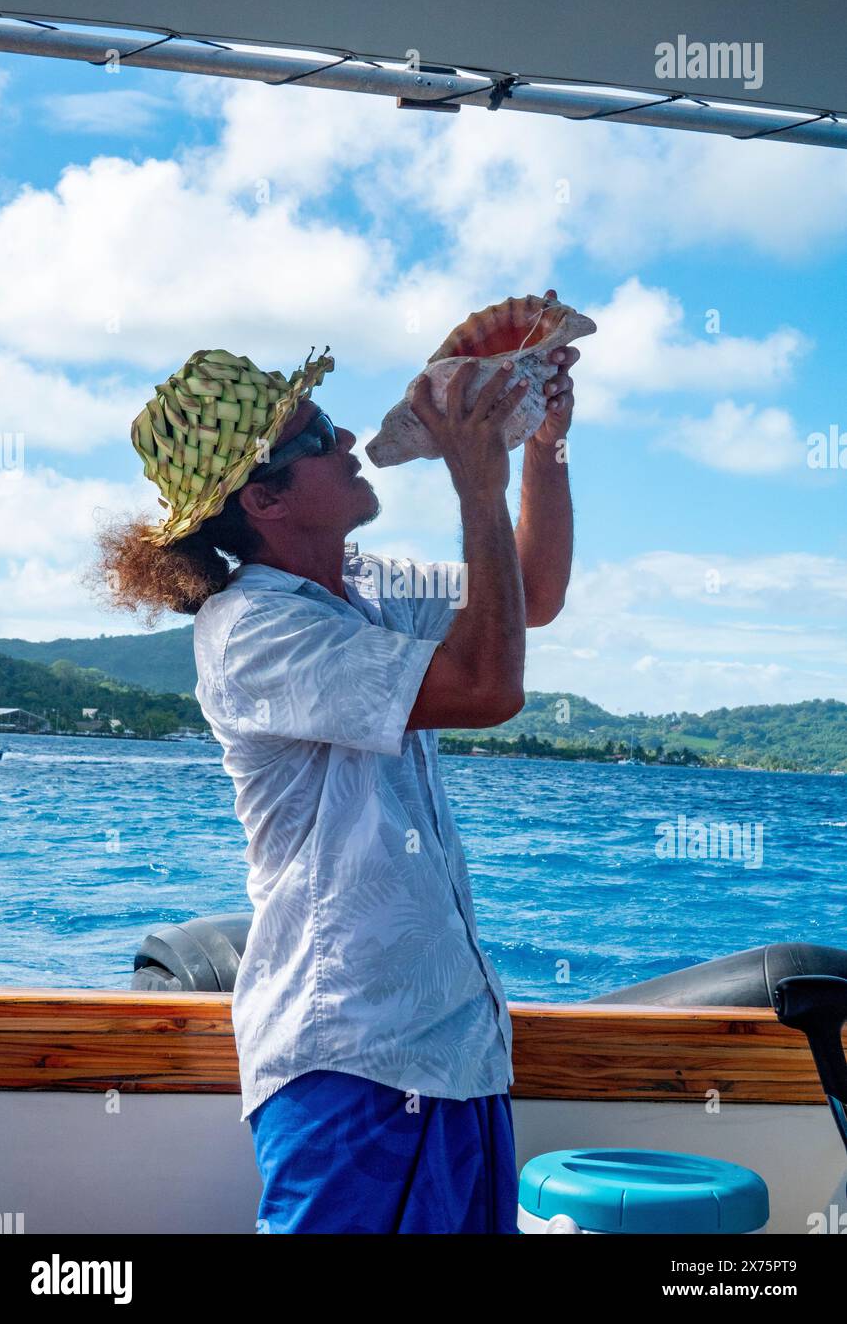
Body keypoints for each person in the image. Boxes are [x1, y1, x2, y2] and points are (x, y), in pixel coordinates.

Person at [98, 305, 578, 1234]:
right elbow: (486, 687)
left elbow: (534, 595)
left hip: (454, 1054)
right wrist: (471, 482)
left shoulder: (368, 587)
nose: (349, 436)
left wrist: (541, 447)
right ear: (265, 500)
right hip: (352, 1066)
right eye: (316, 436)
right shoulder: (253, 631)